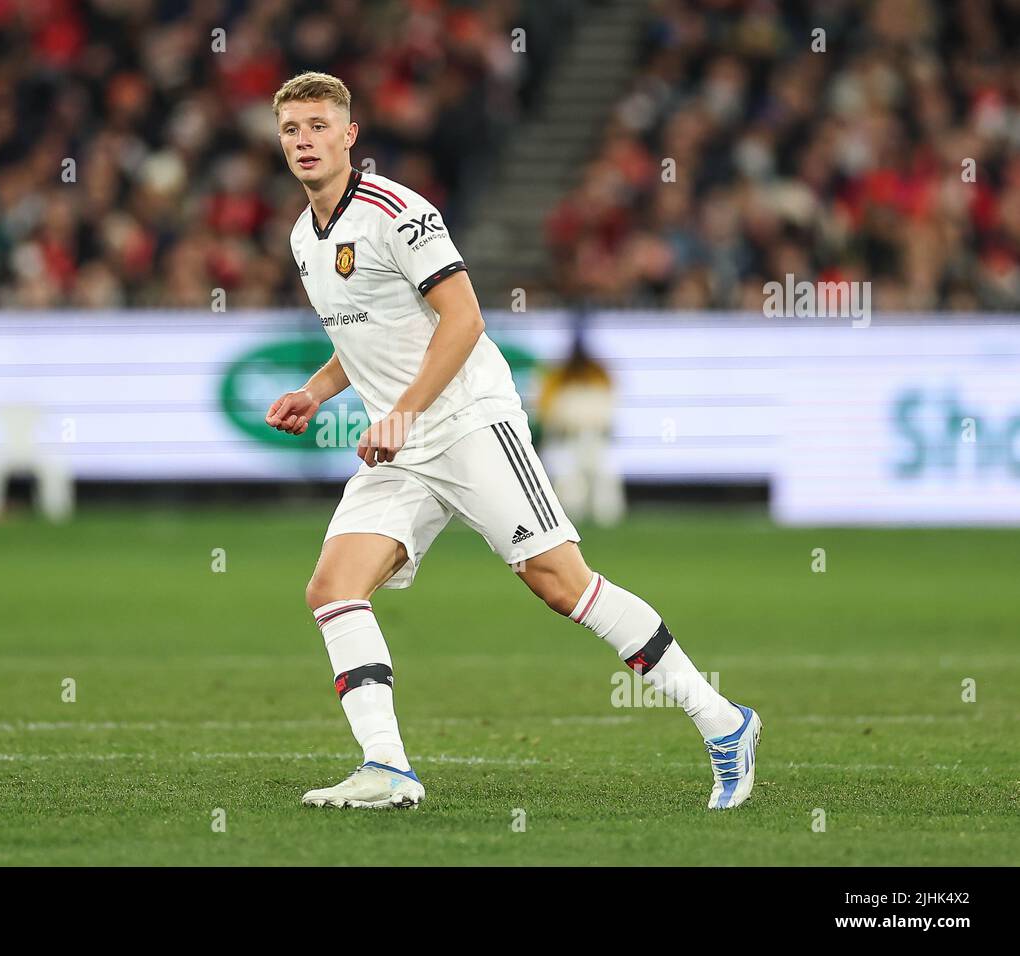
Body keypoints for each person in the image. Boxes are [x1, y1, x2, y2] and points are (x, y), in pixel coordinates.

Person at [265, 72, 761, 811]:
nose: (304, 141)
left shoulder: (400, 212)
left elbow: (464, 321)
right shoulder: (305, 237)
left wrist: (402, 411)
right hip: (401, 445)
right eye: (291, 130)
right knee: (333, 588)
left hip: (467, 419)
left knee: (561, 583)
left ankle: (723, 722)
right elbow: (364, 335)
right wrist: (315, 390)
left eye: (317, 126)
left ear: (349, 135)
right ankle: (387, 768)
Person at [537, 332, 626, 527]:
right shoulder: (558, 375)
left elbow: (609, 406)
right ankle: (567, 524)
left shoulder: (598, 373)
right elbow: (547, 410)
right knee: (569, 483)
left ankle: (607, 522)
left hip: (595, 438)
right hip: (566, 439)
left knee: (604, 478)